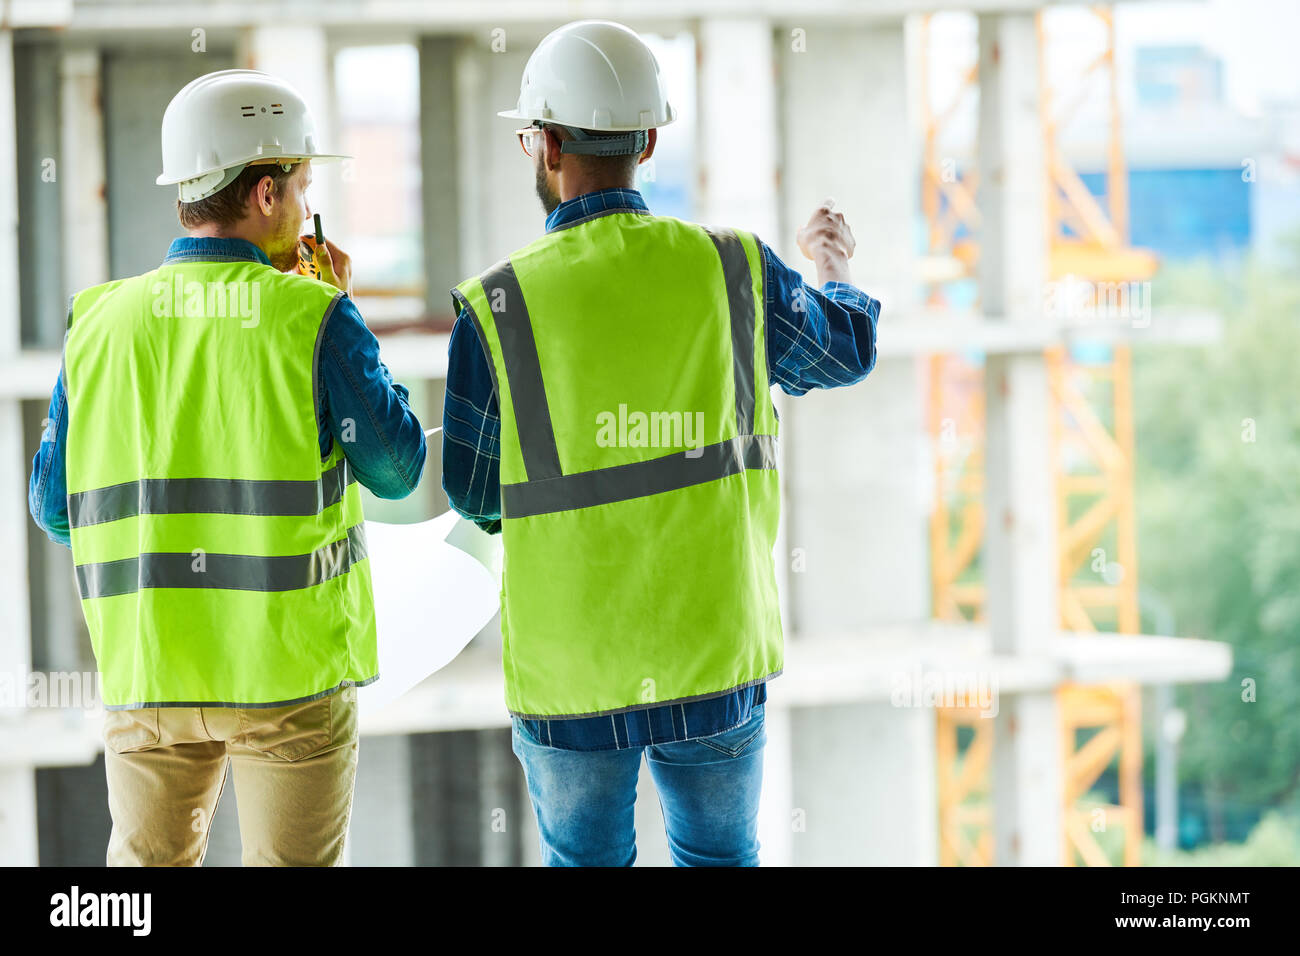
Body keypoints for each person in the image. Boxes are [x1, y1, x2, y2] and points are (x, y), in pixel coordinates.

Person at [442, 21, 880, 866]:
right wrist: (832, 266)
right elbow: (845, 351)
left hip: (571, 674)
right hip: (713, 656)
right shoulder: (733, 268)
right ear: (647, 138)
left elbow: (470, 490)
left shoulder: (497, 305)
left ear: (546, 144)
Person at [27, 69, 426, 866]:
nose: (309, 208)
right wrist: (333, 314)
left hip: (150, 671)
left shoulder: (97, 320)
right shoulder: (311, 313)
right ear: (267, 194)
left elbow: (53, 505)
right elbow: (396, 467)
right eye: (304, 187)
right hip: (289, 677)